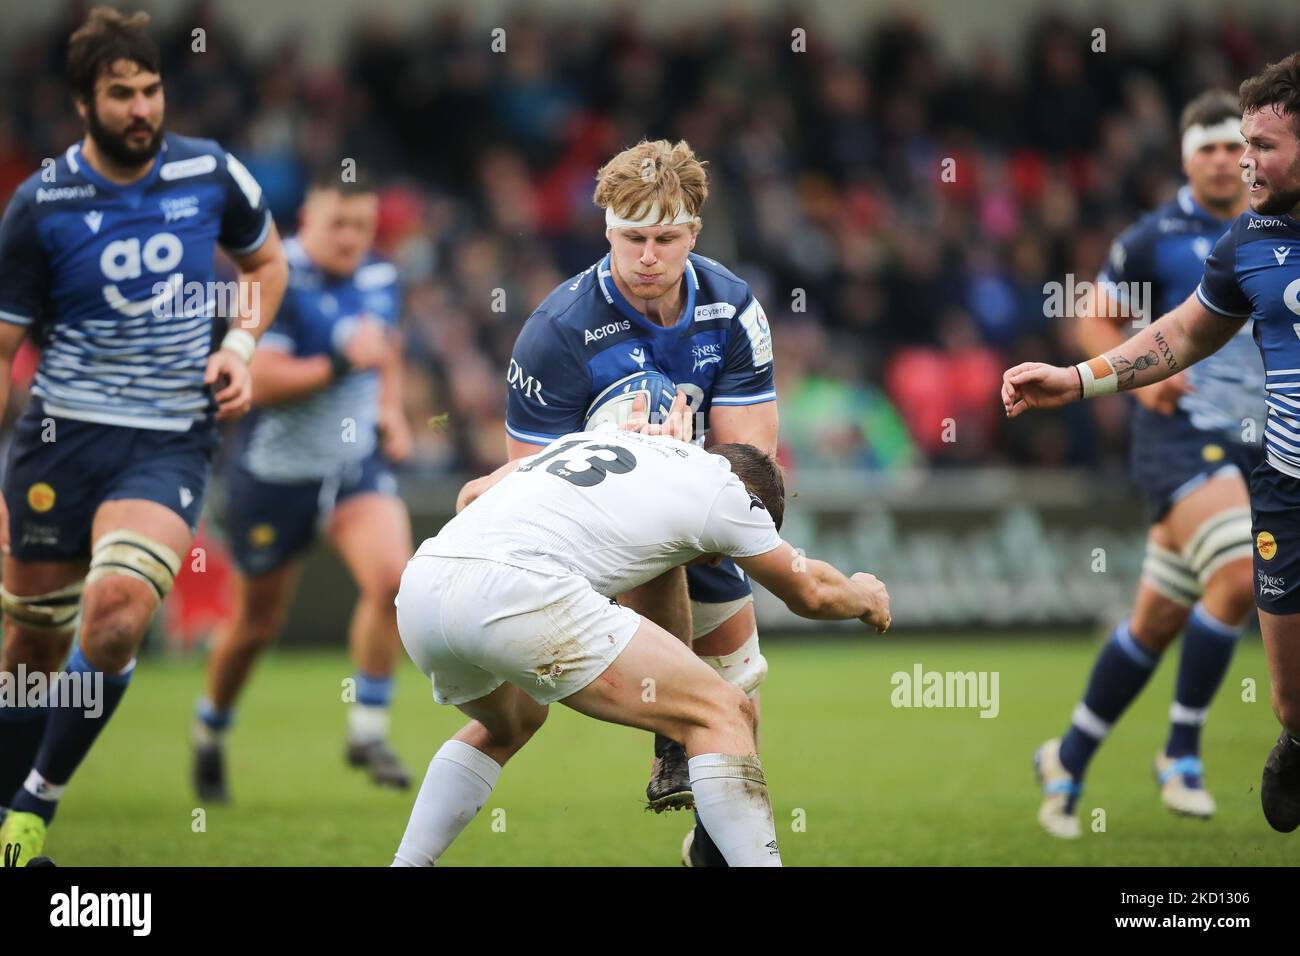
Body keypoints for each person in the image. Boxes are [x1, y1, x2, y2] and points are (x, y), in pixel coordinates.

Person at [0, 7, 286, 864]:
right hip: (58, 444)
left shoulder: (212, 174)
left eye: (151, 90)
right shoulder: (38, 203)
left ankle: (33, 808)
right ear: (84, 104)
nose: (141, 108)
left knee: (116, 614)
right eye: (121, 94)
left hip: (167, 439)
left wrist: (239, 342)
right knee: (32, 643)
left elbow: (267, 263)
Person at [1002, 53, 1300, 835]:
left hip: (1255, 446)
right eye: (1217, 145)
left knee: (1155, 620)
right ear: (1184, 156)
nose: (1233, 160)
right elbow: (1136, 323)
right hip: (1184, 439)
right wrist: (1087, 375)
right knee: (1235, 579)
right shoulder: (1170, 238)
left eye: (1254, 148)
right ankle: (1182, 749)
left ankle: (1069, 755)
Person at [459, 138, 779, 865]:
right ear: (606, 228)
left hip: (698, 520)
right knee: (511, 720)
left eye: (666, 238)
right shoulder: (555, 332)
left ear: (694, 232)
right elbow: (530, 491)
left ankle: (711, 848)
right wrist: (642, 477)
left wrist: (676, 466)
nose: (647, 256)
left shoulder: (731, 307)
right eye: (632, 237)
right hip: (587, 544)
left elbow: (755, 468)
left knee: (737, 715)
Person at [392, 418, 890, 867]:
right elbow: (810, 591)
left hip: (424, 587)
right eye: (724, 557)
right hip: (518, 589)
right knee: (722, 710)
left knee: (512, 723)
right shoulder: (724, 490)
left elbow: (471, 495)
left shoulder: (604, 437)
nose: (716, 566)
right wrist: (864, 597)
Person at [191, 170, 413, 800]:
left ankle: (367, 729)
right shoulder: (275, 278)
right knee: (256, 625)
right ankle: (211, 727)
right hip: (275, 474)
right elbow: (255, 379)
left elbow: (385, 348)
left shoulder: (380, 276)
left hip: (352, 467)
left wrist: (391, 410)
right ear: (305, 225)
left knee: (394, 582)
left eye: (362, 227)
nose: (351, 239)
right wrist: (342, 362)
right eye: (337, 225)